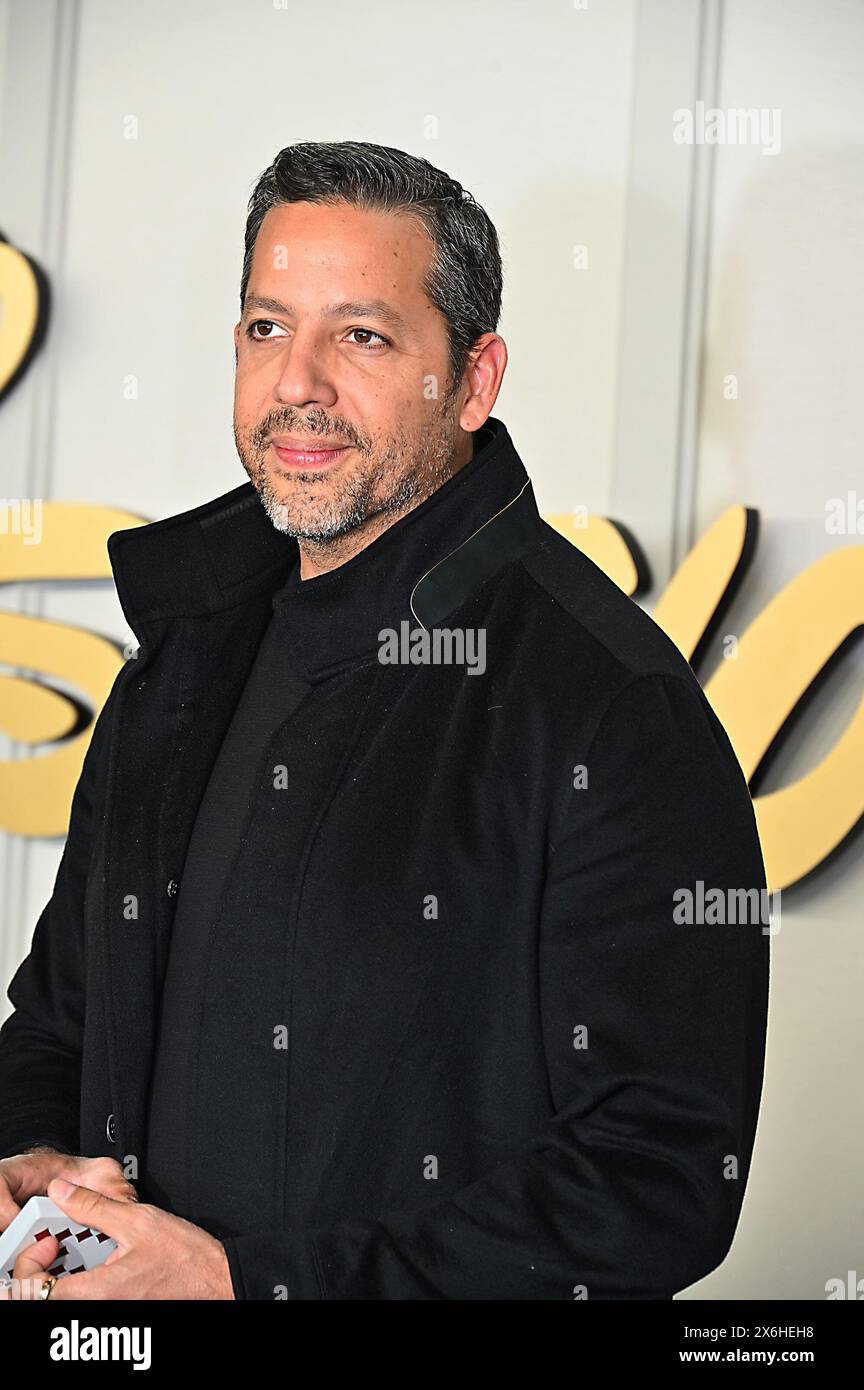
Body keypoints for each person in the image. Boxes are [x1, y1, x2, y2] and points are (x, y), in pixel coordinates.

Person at [0, 140, 769, 1300]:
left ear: (472, 379)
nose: (297, 383)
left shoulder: (613, 711)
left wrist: (252, 1290)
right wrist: (31, 1160)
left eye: (362, 336)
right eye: (267, 328)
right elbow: (57, 1018)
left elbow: (655, 1181)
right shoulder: (180, 659)